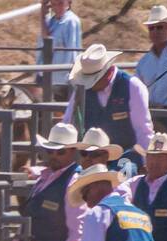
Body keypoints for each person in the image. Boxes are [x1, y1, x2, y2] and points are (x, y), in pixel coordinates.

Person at [64, 44, 151, 178]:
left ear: (108, 72)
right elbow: (68, 122)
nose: (90, 85)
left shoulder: (132, 86)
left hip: (126, 154)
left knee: (123, 176)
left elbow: (143, 130)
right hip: (91, 155)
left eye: (93, 80)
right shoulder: (81, 91)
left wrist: (146, 161)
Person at [137, 6, 167, 126]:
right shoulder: (143, 62)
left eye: (159, 27)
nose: (155, 31)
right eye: (151, 28)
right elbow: (137, 89)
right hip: (150, 116)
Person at [41, 0, 81, 97]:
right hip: (51, 73)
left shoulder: (71, 21)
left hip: (64, 76)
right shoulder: (52, 21)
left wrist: (67, 71)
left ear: (68, 3)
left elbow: (72, 48)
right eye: (54, 4)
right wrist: (42, 15)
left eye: (60, 3)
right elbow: (45, 38)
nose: (57, 8)